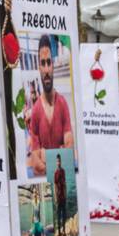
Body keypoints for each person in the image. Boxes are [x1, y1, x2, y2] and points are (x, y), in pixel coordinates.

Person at [26, 36, 73, 177]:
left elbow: (69, 154)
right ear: (39, 67)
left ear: (53, 65)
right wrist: (59, 156)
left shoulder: (63, 104)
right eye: (43, 63)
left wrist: (45, 155)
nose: (46, 69)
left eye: (49, 63)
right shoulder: (35, 112)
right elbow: (36, 166)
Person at [52, 153, 68, 236]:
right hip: (58, 197)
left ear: (61, 161)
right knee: (58, 216)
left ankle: (64, 232)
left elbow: (65, 183)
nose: (58, 162)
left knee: (64, 215)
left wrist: (66, 194)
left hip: (63, 197)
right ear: (56, 162)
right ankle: (58, 233)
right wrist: (55, 197)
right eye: (57, 161)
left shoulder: (63, 171)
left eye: (59, 161)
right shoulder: (55, 172)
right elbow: (54, 185)